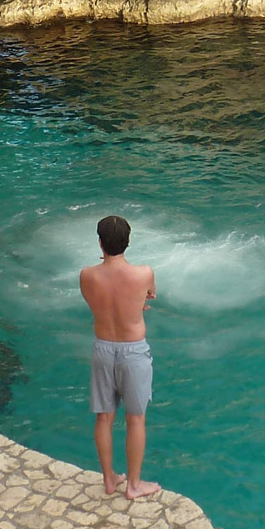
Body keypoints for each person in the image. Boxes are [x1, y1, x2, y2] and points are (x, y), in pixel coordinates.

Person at [80, 214, 158, 501]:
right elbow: (150, 295)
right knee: (136, 419)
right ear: (127, 242)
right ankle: (134, 485)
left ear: (100, 242)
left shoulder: (87, 275)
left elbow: (95, 302)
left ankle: (110, 479)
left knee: (104, 417)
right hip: (133, 350)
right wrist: (135, 304)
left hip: (102, 347)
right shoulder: (144, 273)